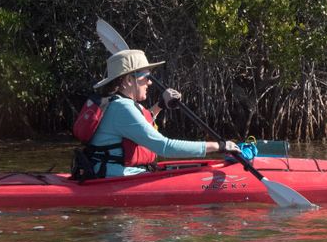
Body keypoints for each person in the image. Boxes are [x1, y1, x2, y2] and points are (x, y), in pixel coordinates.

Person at [82, 48, 238, 178]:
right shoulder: (122, 108)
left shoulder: (119, 103)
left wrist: (161, 105)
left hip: (116, 173)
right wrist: (219, 146)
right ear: (129, 80)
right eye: (146, 76)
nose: (149, 82)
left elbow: (139, 124)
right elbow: (165, 147)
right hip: (113, 179)